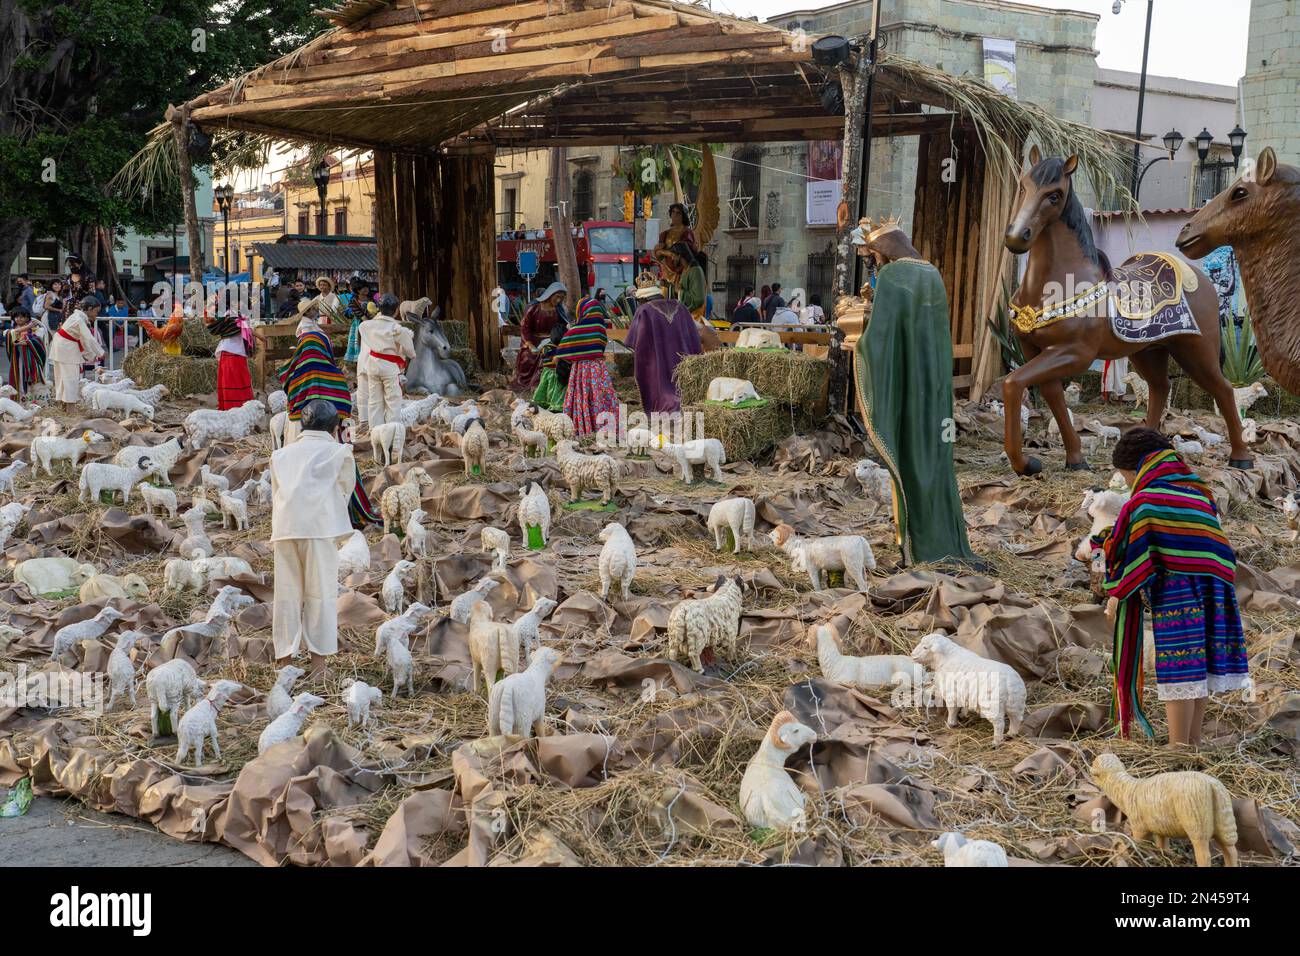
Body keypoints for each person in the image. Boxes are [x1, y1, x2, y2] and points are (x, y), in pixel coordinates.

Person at [1095, 428, 1249, 744]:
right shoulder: (1199, 492)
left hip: (1179, 588)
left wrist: (1117, 594)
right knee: (1200, 664)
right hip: (1218, 586)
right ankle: (1191, 741)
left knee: (1180, 663)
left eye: (1127, 477)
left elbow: (1135, 555)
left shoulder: (1146, 501)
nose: (1128, 484)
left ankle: (1178, 748)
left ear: (1138, 468)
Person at [850, 217, 976, 566]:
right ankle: (944, 537)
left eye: (875, 257)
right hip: (935, 385)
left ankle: (919, 546)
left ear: (884, 250)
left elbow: (881, 335)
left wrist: (861, 341)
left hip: (907, 385)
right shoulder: (932, 274)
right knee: (935, 459)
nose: (877, 264)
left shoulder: (894, 276)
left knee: (910, 458)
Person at [270, 398, 356, 677]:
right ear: (334, 427)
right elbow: (346, 487)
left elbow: (276, 492)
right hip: (319, 529)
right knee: (320, 594)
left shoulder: (280, 455)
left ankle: (285, 663)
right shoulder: (340, 452)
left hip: (285, 529)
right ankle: (318, 667)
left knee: (286, 594)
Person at [277, 297, 379, 527]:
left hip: (300, 455)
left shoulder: (296, 382)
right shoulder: (338, 383)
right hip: (333, 460)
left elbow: (286, 382)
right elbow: (347, 428)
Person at [623, 271, 704, 414]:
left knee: (661, 391)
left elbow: (632, 341)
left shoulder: (644, 310)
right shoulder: (681, 307)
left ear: (642, 299)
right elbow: (694, 338)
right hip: (684, 364)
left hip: (657, 363)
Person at [557, 297, 619, 436]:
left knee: (582, 395)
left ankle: (584, 426)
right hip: (598, 369)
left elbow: (563, 347)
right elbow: (601, 346)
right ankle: (603, 427)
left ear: (582, 311)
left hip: (581, 370)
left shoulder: (576, 330)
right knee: (599, 396)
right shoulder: (601, 328)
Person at [356, 293, 414, 429]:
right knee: (393, 399)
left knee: (374, 400)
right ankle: (391, 430)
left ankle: (374, 429)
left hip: (370, 364)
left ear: (379, 308)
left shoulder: (365, 326)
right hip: (388, 366)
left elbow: (363, 332)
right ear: (395, 311)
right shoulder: (397, 328)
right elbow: (410, 351)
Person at [511, 282, 566, 391]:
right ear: (550, 294)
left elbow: (563, 325)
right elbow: (525, 327)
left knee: (552, 355)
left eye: (561, 298)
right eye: (557, 297)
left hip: (552, 340)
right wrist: (530, 345)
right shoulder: (533, 307)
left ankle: (548, 384)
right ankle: (530, 383)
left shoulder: (559, 309)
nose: (559, 300)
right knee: (528, 356)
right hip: (534, 340)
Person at [205, 311, 255, 410]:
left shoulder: (236, 316)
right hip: (233, 353)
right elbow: (243, 329)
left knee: (233, 381)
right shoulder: (232, 316)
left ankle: (234, 408)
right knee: (234, 382)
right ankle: (234, 409)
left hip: (232, 352)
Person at [4, 308, 47, 398]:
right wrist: (28, 327)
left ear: (27, 318)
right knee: (19, 376)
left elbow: (38, 341)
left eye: (22, 317)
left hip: (30, 359)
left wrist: (27, 342)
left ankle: (32, 398)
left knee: (29, 377)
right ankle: (21, 397)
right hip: (18, 358)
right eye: (16, 317)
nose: (18, 319)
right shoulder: (12, 330)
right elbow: (11, 334)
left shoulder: (35, 329)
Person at [653, 202, 698, 287]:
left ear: (683, 216)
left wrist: (666, 251)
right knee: (665, 298)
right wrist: (669, 253)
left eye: (678, 213)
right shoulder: (664, 234)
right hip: (667, 273)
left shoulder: (687, 232)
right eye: (673, 212)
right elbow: (658, 254)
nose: (675, 215)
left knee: (681, 296)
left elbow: (688, 252)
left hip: (682, 274)